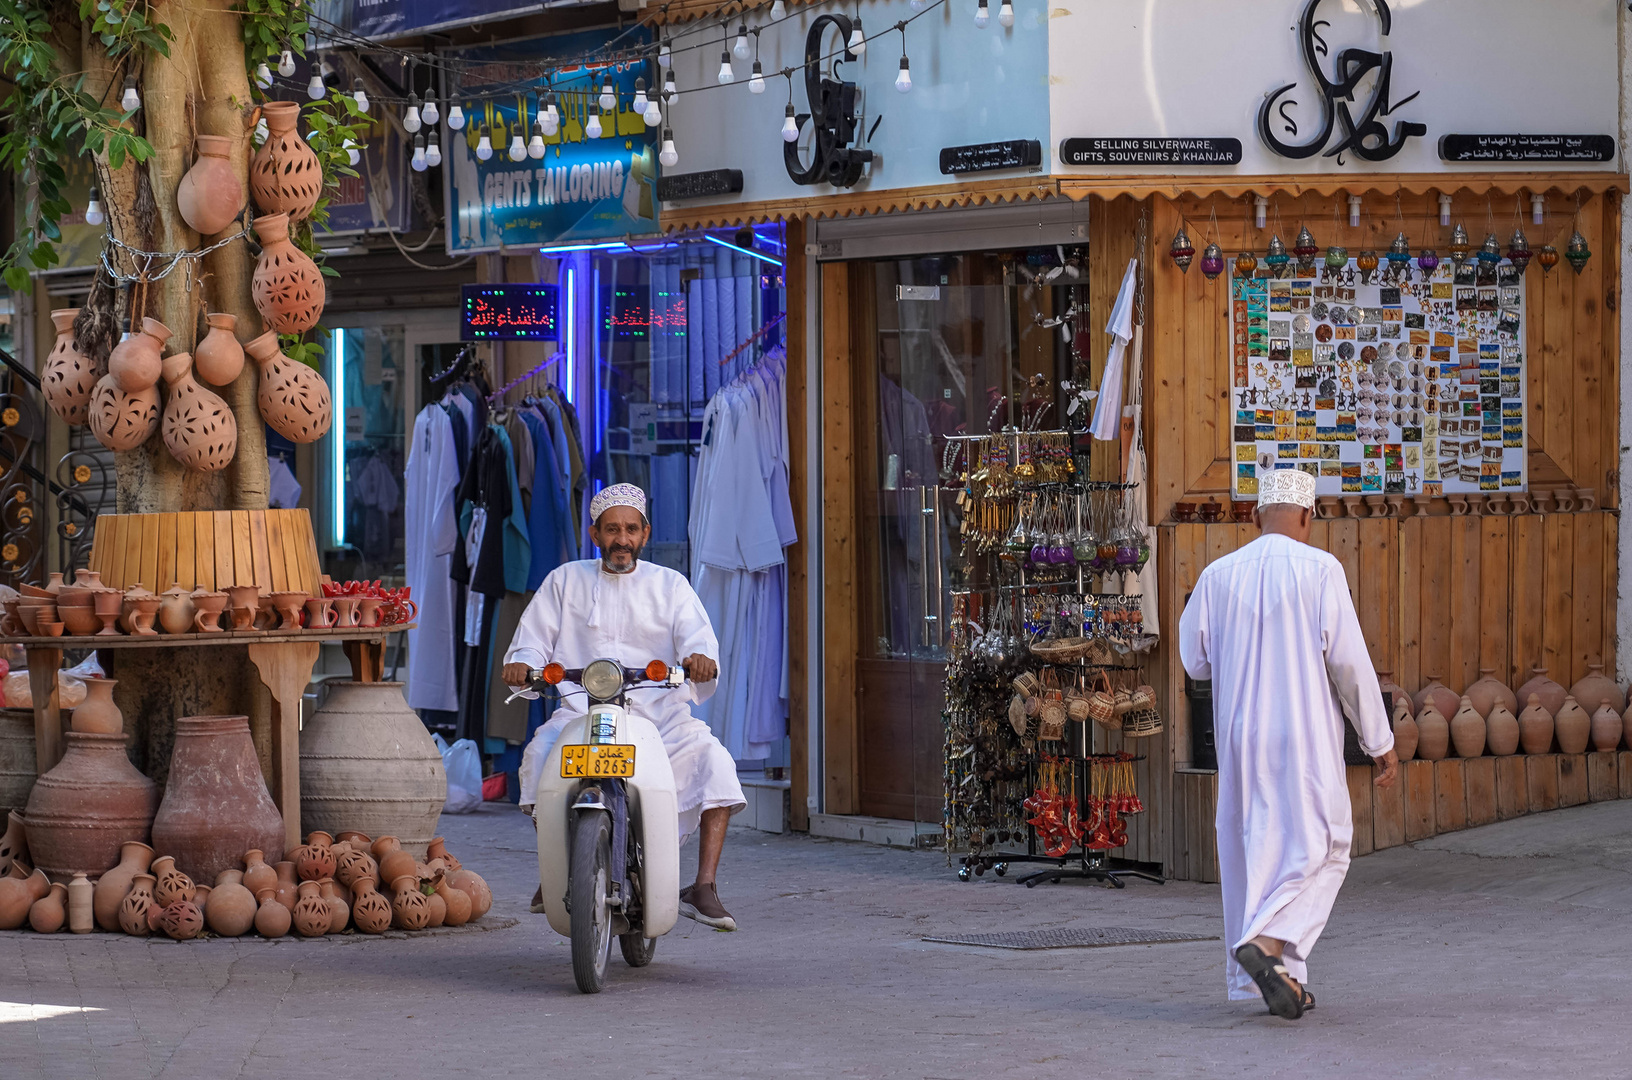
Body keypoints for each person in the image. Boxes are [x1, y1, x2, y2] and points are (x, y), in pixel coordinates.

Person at [1177, 468, 1398, 1020]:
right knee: (1328, 847)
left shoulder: (1217, 574)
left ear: (1255, 516)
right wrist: (1379, 740)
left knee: (1260, 853)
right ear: (1307, 516)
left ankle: (1278, 982)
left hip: (1239, 739)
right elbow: (1349, 664)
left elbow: (1194, 661)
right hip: (1301, 738)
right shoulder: (1320, 569)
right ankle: (1271, 945)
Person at [502, 483, 747, 932]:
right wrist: (522, 664)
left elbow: (698, 640)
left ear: (645, 534)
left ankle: (704, 886)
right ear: (595, 534)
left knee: (715, 763)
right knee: (539, 756)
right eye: (612, 529)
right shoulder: (564, 581)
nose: (622, 539)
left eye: (631, 529)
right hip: (581, 715)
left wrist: (698, 659)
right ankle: (557, 870)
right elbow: (532, 642)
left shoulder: (670, 585)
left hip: (660, 717)